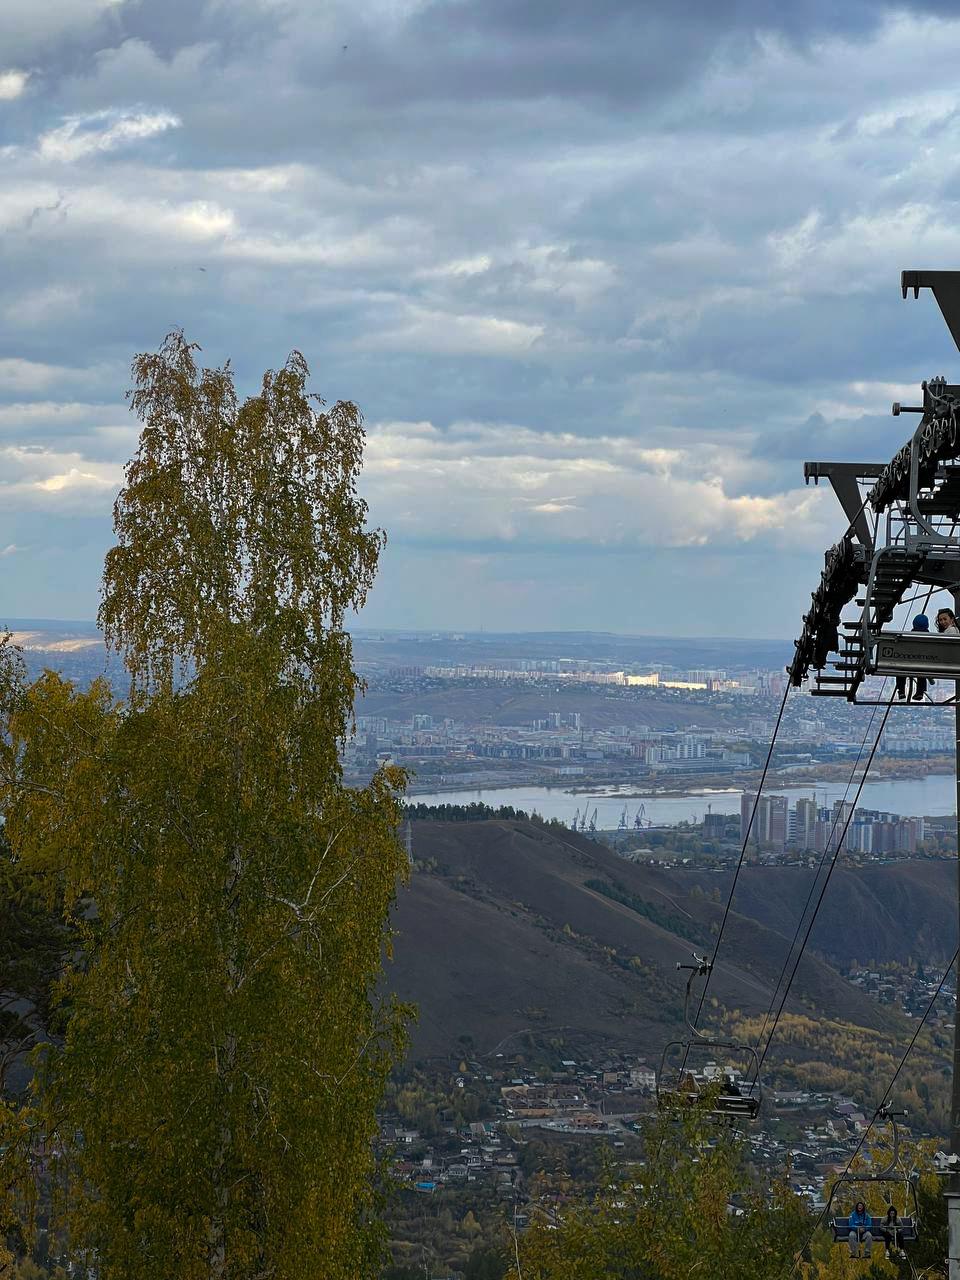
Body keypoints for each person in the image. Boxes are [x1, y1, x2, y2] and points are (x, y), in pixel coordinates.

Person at [895, 615, 931, 702]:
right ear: (927, 625)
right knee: (923, 670)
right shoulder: (931, 638)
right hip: (926, 664)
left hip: (908, 664)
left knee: (901, 667)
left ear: (914, 624)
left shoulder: (908, 636)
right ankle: (920, 691)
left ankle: (901, 690)